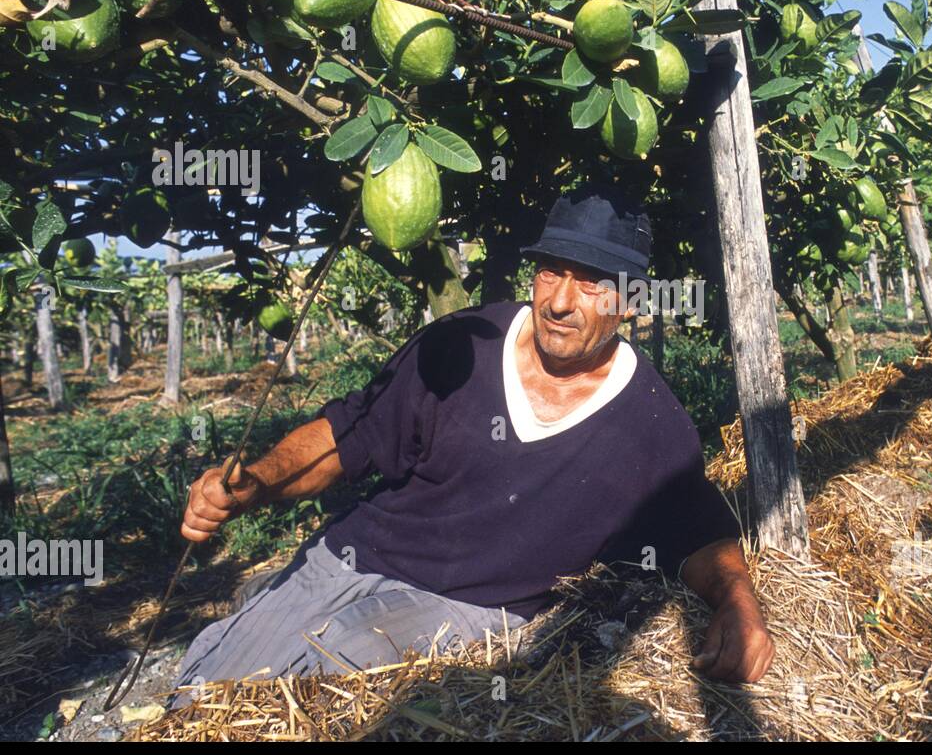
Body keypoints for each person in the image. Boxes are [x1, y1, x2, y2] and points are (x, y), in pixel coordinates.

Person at [172, 190, 774, 705]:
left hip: (459, 607)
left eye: (592, 283)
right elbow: (348, 435)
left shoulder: (650, 422)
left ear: (632, 301)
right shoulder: (461, 345)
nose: (561, 301)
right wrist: (256, 482)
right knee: (204, 686)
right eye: (550, 272)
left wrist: (738, 603)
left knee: (303, 692)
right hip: (352, 554)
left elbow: (697, 534)